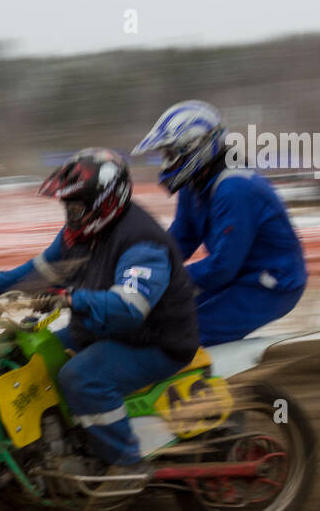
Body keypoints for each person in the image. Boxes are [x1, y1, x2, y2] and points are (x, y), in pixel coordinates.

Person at [0, 148, 200, 477]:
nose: (69, 213)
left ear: (105, 201)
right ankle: (44, 448)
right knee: (31, 356)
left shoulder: (142, 243)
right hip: (105, 328)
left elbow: (129, 308)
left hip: (155, 341)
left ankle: (126, 464)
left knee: (81, 377)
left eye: (75, 205)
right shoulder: (82, 231)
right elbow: (43, 271)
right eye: (67, 205)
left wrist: (71, 300)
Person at [132, 101, 308, 345]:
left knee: (177, 334)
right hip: (238, 275)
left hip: (272, 283)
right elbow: (180, 239)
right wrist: (138, 267)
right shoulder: (195, 184)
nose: (165, 163)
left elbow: (222, 267)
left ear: (195, 148)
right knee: (156, 319)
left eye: (171, 154)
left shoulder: (235, 189)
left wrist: (165, 280)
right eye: (164, 155)